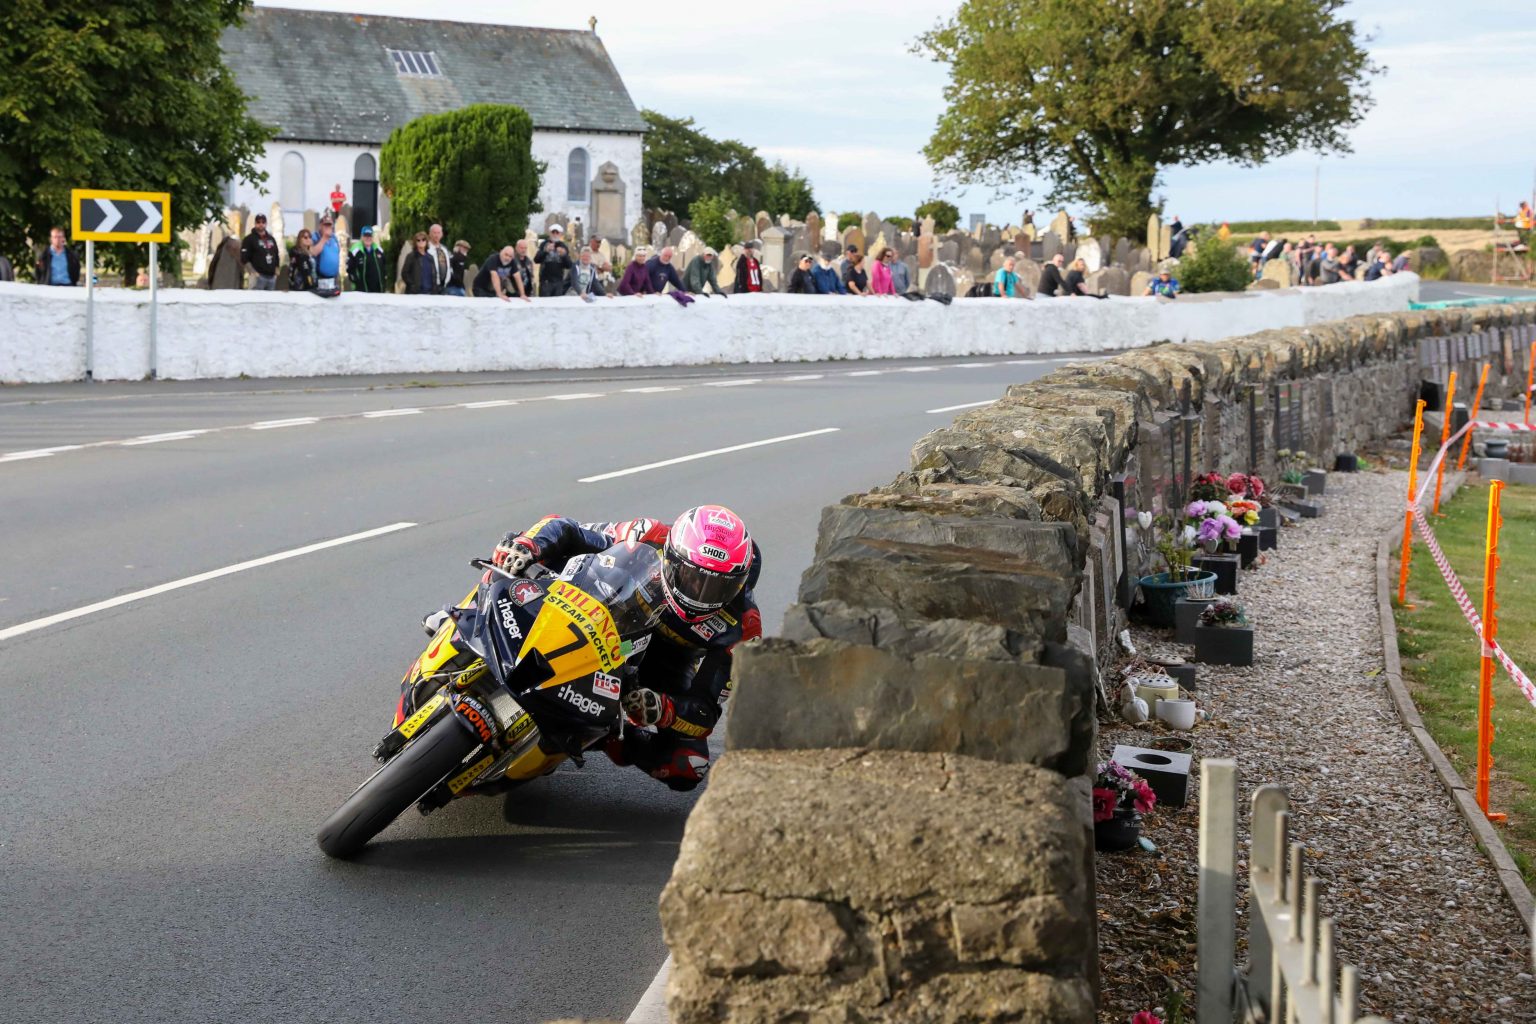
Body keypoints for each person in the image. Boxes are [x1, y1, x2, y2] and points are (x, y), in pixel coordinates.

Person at [478, 508, 762, 791]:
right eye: (692, 576)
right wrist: (529, 546)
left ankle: (607, 735)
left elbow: (705, 712)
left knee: (688, 766)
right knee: (515, 554)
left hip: (665, 662)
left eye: (718, 586)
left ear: (738, 584)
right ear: (673, 556)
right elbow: (565, 528)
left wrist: (663, 709)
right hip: (602, 609)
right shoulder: (649, 534)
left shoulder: (744, 629)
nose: (700, 593)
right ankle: (464, 616)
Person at [240, 213, 281, 290]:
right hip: (258, 276)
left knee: (270, 300)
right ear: (255, 223)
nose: (261, 224)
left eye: (263, 222)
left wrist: (277, 269)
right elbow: (244, 258)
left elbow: (276, 254)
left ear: (266, 224)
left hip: (271, 277)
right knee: (255, 300)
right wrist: (253, 272)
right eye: (258, 222)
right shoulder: (249, 239)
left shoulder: (271, 239)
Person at [348, 226, 388, 293]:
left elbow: (385, 267)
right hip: (362, 291)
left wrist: (384, 281)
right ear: (362, 237)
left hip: (378, 291)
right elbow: (350, 269)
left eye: (370, 236)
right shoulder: (355, 251)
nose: (368, 238)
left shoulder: (379, 250)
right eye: (365, 236)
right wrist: (356, 282)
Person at [535, 226, 573, 297]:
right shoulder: (544, 244)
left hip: (559, 281)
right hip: (545, 281)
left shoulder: (563, 246)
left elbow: (569, 265)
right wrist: (545, 251)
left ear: (560, 234)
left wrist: (564, 255)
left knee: (557, 304)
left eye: (557, 232)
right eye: (553, 232)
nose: (555, 234)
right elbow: (536, 260)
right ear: (550, 233)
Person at [309, 217, 343, 293]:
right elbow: (313, 252)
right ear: (320, 226)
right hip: (320, 277)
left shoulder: (334, 238)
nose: (328, 228)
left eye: (329, 225)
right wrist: (324, 238)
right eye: (325, 225)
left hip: (334, 278)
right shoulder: (315, 237)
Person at [426, 224, 452, 294]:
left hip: (444, 286)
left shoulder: (444, 249)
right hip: (430, 287)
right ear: (429, 234)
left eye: (438, 233)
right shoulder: (426, 249)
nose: (436, 235)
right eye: (434, 233)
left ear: (442, 234)